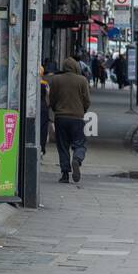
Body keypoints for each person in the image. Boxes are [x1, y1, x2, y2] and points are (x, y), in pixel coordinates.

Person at [48, 56, 91, 184]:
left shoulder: (56, 79)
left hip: (61, 118)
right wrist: (82, 110)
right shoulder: (82, 80)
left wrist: (56, 109)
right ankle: (77, 159)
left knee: (62, 146)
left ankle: (65, 173)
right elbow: (87, 100)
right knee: (80, 143)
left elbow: (52, 98)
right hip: (77, 118)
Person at [39, 64, 51, 156]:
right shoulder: (45, 84)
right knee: (43, 129)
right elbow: (48, 97)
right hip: (43, 107)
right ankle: (42, 148)